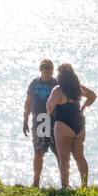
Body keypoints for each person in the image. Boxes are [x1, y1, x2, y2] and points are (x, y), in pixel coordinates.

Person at [46, 64, 96, 188]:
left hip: (63, 124)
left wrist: (53, 115)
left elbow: (49, 107)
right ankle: (84, 186)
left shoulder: (58, 90)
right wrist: (84, 107)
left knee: (64, 159)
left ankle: (65, 187)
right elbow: (93, 96)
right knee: (80, 157)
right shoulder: (78, 88)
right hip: (79, 124)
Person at [22, 57, 58, 187]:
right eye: (45, 68)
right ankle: (35, 183)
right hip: (38, 119)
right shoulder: (34, 83)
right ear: (40, 69)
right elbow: (28, 103)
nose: (48, 70)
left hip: (54, 120)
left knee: (59, 152)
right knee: (38, 151)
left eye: (50, 68)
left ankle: (65, 183)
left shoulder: (57, 84)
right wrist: (25, 119)